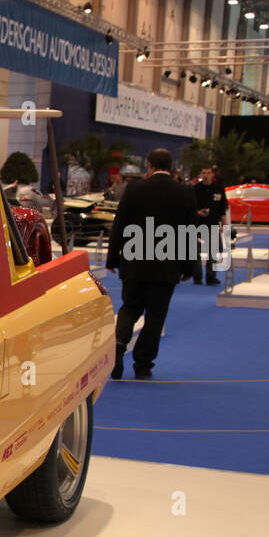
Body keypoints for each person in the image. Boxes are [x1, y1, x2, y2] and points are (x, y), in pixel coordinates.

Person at [106, 148, 198, 380]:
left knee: (129, 308)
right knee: (155, 316)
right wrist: (190, 268)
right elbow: (190, 232)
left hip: (134, 261)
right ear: (171, 166)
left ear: (149, 165)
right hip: (166, 265)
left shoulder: (134, 189)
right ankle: (143, 365)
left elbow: (120, 224)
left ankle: (117, 350)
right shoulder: (185, 192)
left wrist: (112, 258)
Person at [192, 164, 228, 286]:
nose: (205, 175)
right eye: (203, 173)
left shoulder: (219, 189)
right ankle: (197, 276)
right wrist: (197, 212)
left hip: (213, 225)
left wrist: (225, 223)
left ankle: (211, 276)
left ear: (212, 174)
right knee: (195, 252)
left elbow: (222, 208)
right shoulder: (195, 189)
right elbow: (189, 207)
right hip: (197, 224)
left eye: (208, 173)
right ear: (201, 175)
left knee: (213, 252)